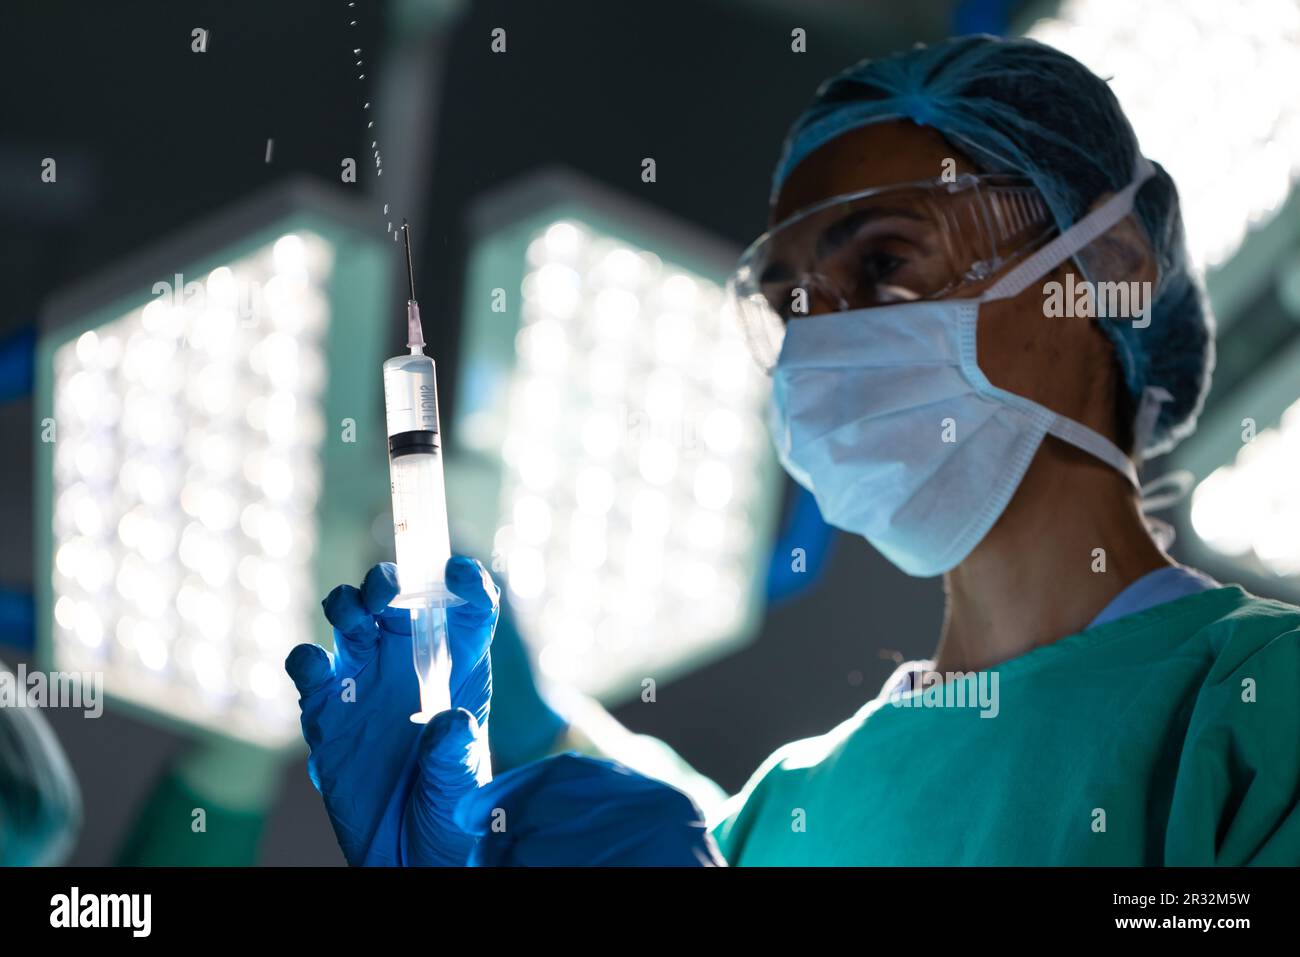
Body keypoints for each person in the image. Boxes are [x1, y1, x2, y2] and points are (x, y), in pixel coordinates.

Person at [287, 34, 1300, 866]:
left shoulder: (1261, 703)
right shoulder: (783, 815)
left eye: (886, 259)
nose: (829, 339)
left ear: (1103, 265)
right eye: (792, 304)